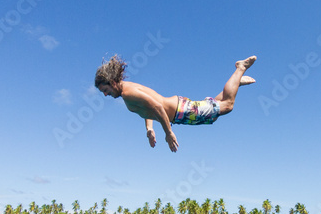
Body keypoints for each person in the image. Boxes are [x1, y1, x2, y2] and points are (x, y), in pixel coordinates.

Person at [94, 54, 256, 152]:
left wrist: (168, 133)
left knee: (227, 106)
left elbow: (157, 106)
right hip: (179, 109)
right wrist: (149, 129)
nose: (106, 94)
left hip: (180, 111)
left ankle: (239, 69)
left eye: (105, 90)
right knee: (215, 108)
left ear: (112, 81)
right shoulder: (127, 91)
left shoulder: (128, 93)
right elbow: (148, 107)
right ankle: (235, 83)